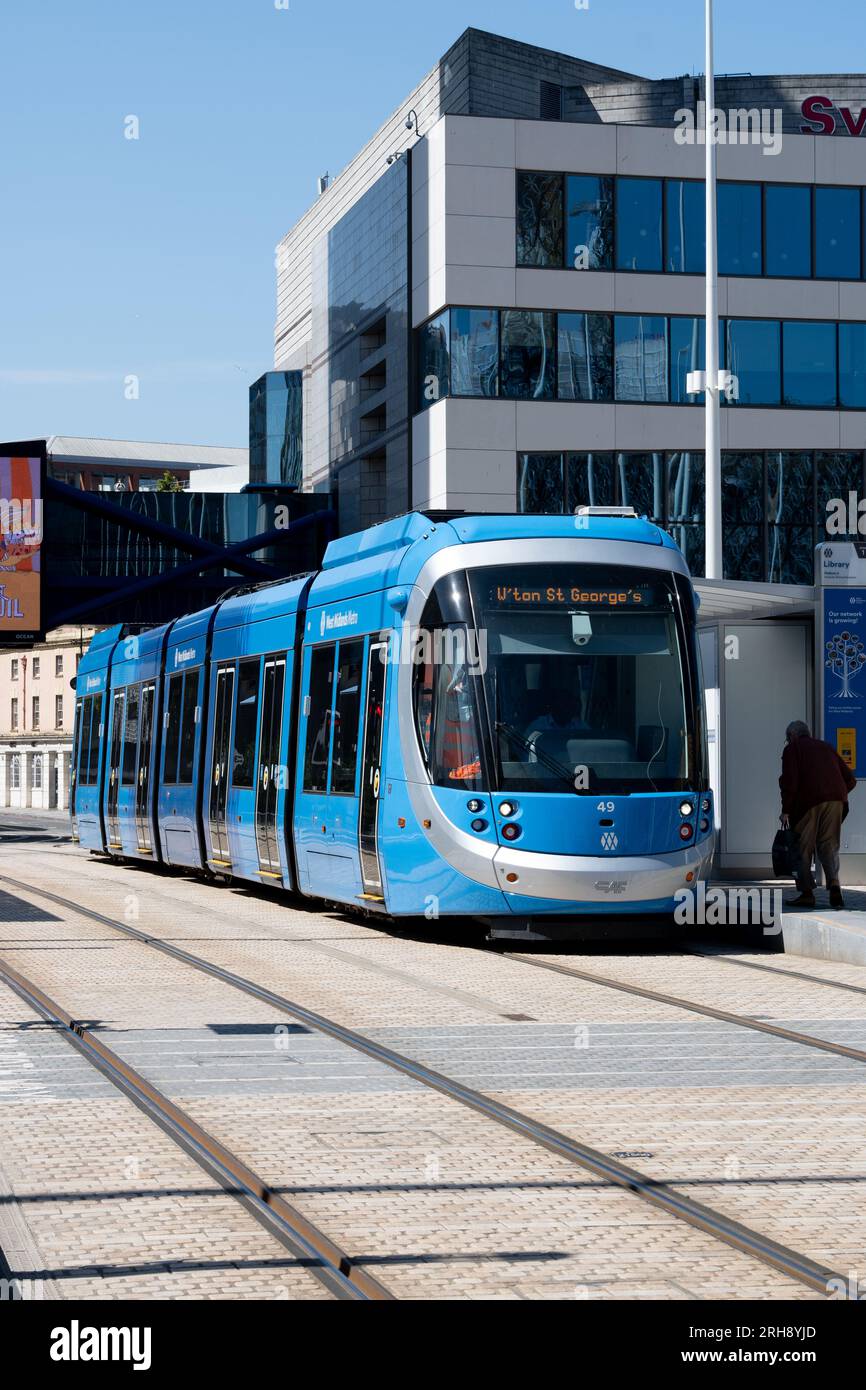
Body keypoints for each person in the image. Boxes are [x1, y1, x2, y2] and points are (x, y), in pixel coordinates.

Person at [779, 720, 856, 909]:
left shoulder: (792, 749)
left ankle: (807, 894)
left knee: (803, 848)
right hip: (836, 800)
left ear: (792, 736)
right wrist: (836, 793)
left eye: (787, 739)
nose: (787, 742)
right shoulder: (826, 747)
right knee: (829, 845)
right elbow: (851, 780)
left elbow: (790, 782)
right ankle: (835, 885)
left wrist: (786, 810)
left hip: (808, 803)